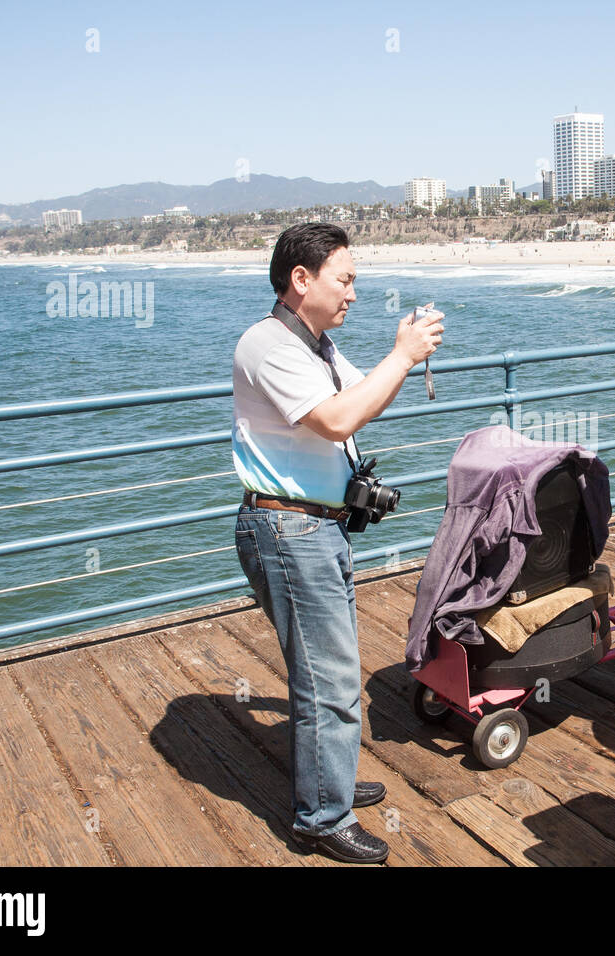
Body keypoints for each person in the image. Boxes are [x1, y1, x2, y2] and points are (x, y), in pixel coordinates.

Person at [232, 223, 443, 863]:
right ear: (303, 280)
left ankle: (330, 781)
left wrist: (401, 358)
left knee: (327, 672)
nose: (353, 293)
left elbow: (363, 397)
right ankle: (322, 818)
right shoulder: (268, 345)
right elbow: (338, 419)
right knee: (329, 679)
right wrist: (403, 355)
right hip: (290, 530)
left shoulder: (314, 344)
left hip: (315, 528)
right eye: (344, 280)